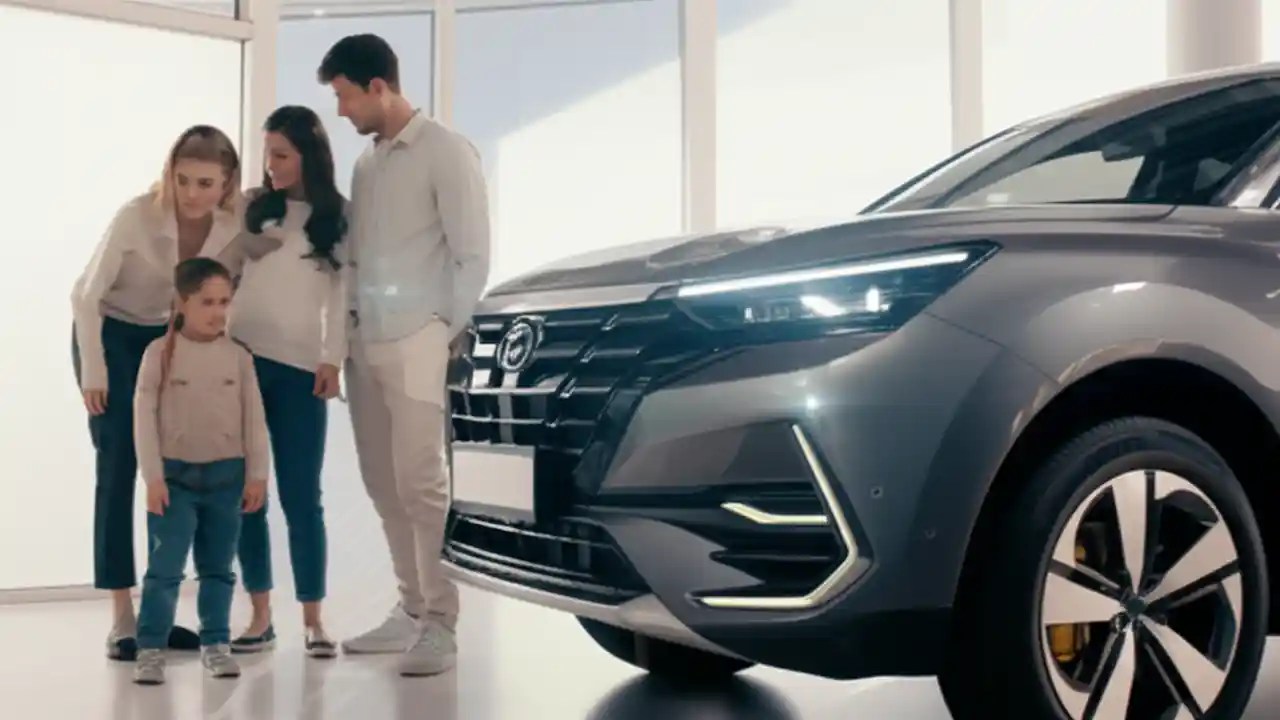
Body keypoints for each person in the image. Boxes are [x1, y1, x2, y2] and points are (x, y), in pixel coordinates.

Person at [317, 33, 490, 676]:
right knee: (382, 486)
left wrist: (441, 334)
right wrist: (339, 344)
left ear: (378, 87)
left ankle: (441, 623)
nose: (341, 111)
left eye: (344, 96)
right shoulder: (367, 166)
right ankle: (411, 607)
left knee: (421, 485)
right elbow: (355, 263)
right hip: (365, 346)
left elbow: (472, 255)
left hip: (419, 341)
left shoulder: (446, 150)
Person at [71, 125, 243, 661]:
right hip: (108, 333)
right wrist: (95, 371)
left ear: (227, 183)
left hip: (163, 338)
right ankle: (121, 617)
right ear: (170, 173)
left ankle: (156, 616)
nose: (191, 193)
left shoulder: (230, 224)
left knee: (164, 469)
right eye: (182, 179)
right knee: (119, 465)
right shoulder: (136, 216)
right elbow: (85, 297)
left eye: (205, 183)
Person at [219, 105, 348, 658]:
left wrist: (332, 359)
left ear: (308, 155)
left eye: (282, 155)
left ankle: (314, 620)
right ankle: (260, 616)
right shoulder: (253, 207)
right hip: (241, 360)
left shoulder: (336, 217)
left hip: (300, 370)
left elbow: (342, 295)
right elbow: (221, 267)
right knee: (248, 492)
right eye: (267, 153)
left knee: (302, 496)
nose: (270, 165)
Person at [131, 257, 269, 685]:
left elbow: (254, 419)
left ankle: (216, 645)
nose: (217, 311)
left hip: (227, 478)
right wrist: (152, 476)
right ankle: (150, 649)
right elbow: (143, 417)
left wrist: (257, 475)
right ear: (182, 302)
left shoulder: (238, 357)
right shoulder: (158, 354)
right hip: (174, 481)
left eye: (224, 302)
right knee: (165, 568)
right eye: (207, 302)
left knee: (218, 568)